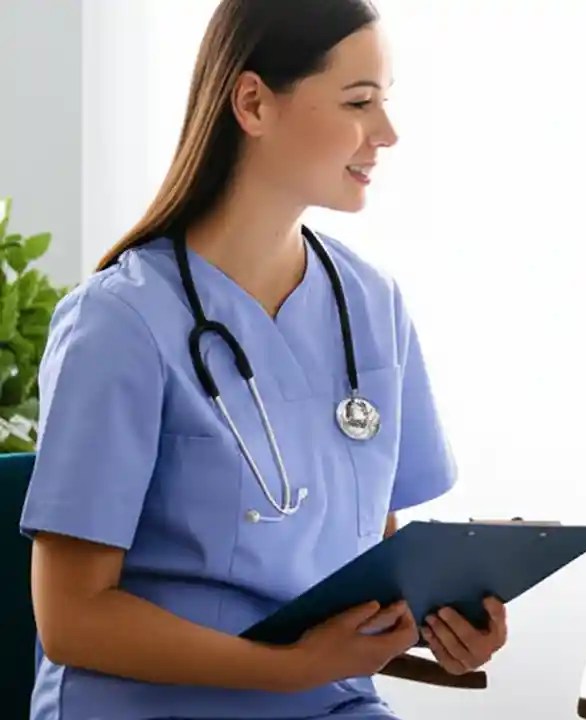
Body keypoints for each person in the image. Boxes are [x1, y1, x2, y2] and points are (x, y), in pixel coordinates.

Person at [20, 1, 507, 717]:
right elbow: (72, 619)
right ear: (252, 103)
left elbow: (370, 551)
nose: (387, 132)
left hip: (327, 702)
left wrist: (440, 619)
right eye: (359, 102)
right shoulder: (120, 322)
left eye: (385, 101)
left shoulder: (371, 305)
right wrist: (287, 669)